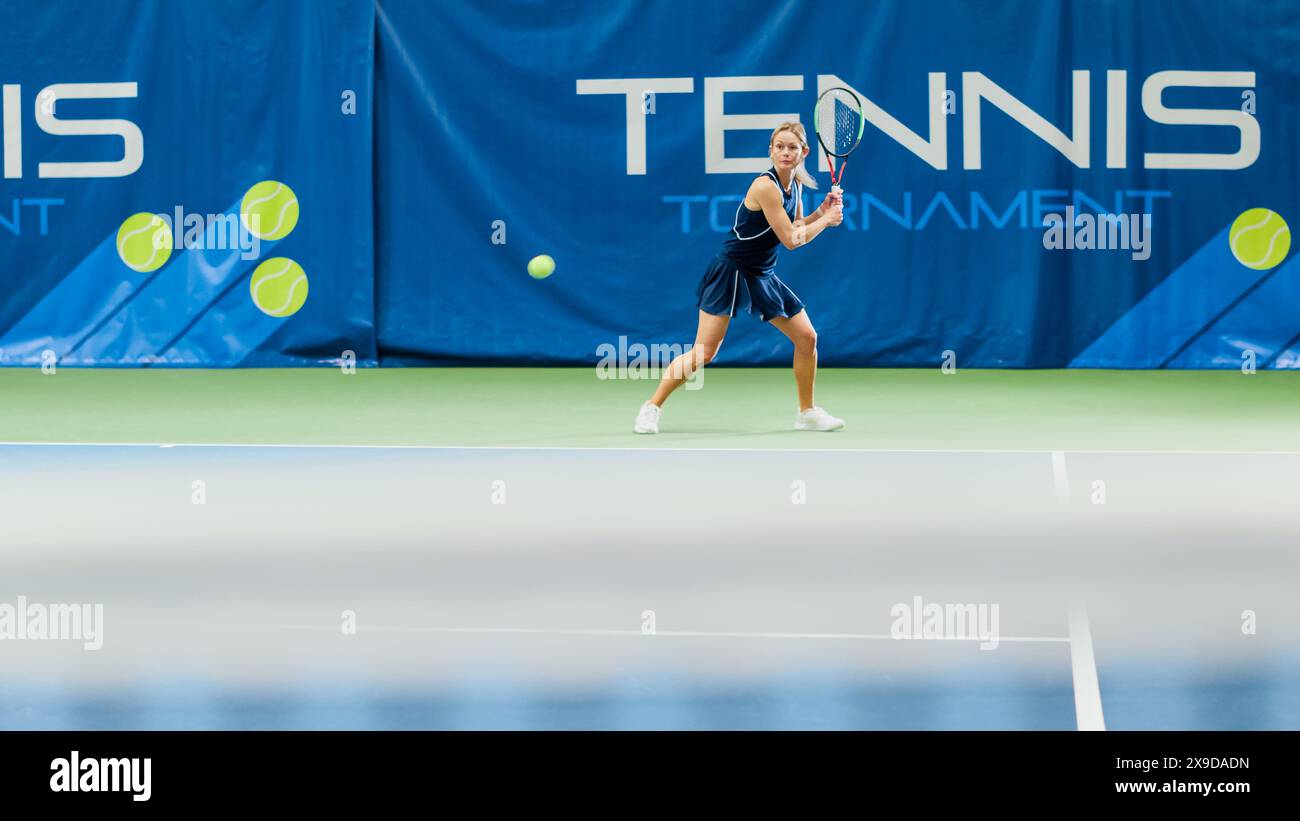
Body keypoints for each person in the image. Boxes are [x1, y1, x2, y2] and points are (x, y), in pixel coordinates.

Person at [634, 121, 845, 434]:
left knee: (807, 338)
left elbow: (797, 226)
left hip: (762, 273)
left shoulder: (795, 185)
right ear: (771, 150)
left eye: (792, 147)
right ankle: (651, 408)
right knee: (705, 351)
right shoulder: (765, 186)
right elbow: (790, 240)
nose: (786, 153)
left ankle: (807, 412)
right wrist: (826, 222)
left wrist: (819, 213)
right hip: (730, 271)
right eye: (780, 146)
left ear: (804, 152)